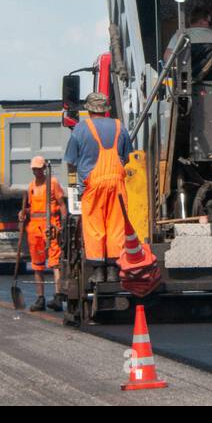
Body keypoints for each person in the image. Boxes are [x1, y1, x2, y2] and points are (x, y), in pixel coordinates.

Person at [64, 92, 133, 286]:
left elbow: (70, 162)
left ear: (89, 109)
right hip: (118, 184)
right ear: (106, 110)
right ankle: (113, 271)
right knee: (116, 227)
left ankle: (98, 271)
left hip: (93, 185)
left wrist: (77, 182)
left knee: (95, 227)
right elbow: (128, 159)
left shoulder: (80, 129)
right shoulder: (120, 126)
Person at [18, 156, 66, 312]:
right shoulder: (31, 186)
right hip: (34, 229)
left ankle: (58, 296)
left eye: (39, 168)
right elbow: (31, 209)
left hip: (51, 227)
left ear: (44, 168)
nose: (37, 171)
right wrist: (23, 212)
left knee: (55, 263)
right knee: (37, 265)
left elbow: (62, 205)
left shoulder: (53, 183)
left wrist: (63, 225)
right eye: (34, 169)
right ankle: (40, 299)